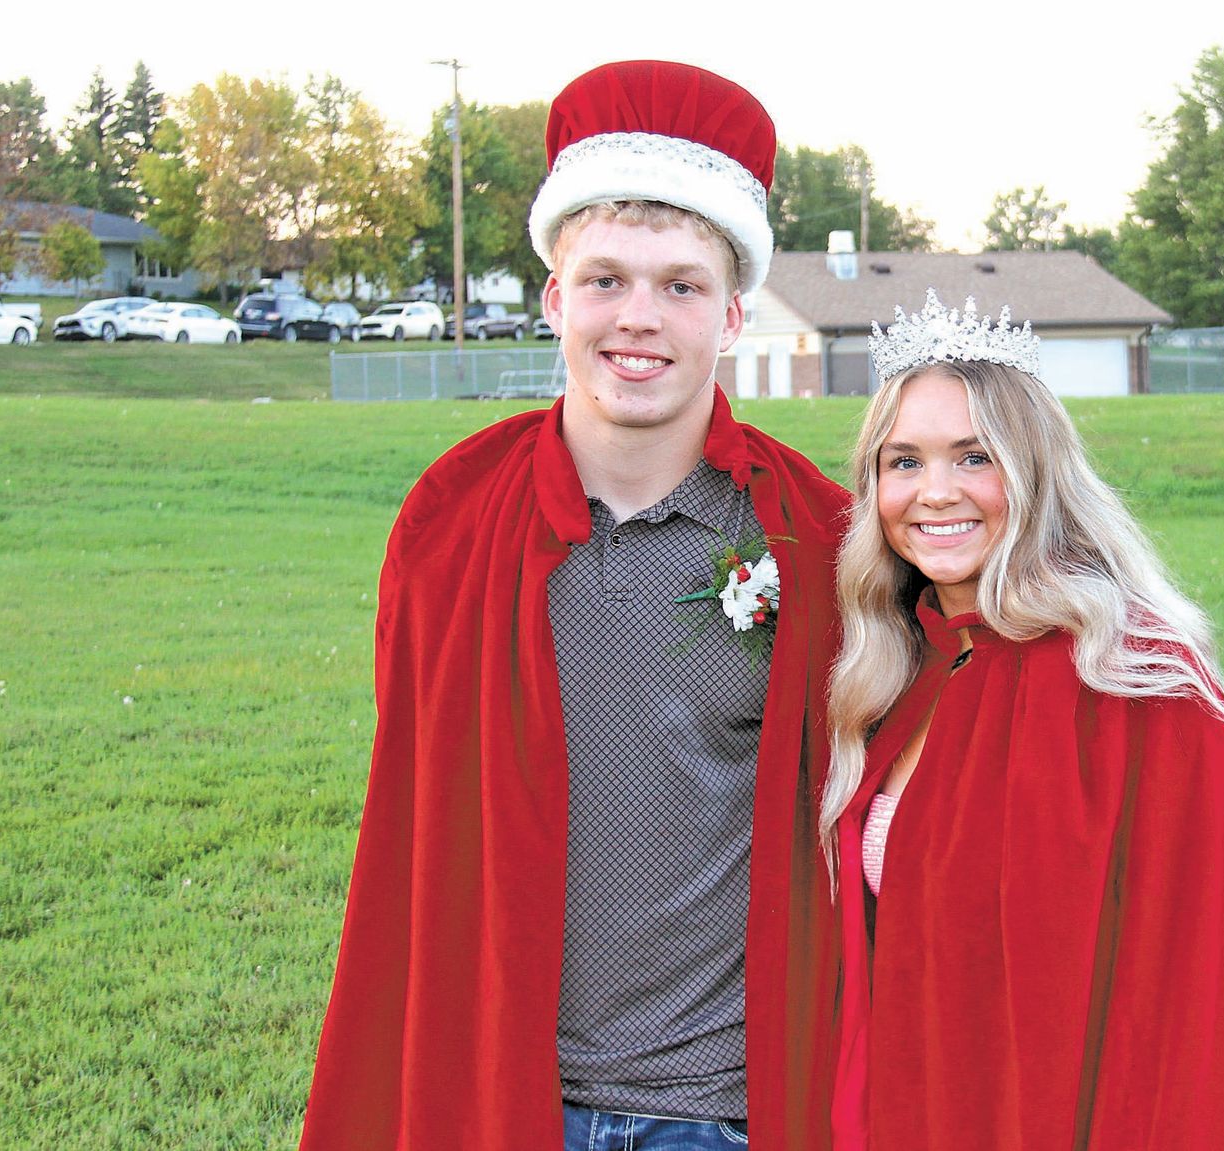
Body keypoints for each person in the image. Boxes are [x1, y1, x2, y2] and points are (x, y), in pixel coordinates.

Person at [299, 61, 847, 1151]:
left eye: (681, 286)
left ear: (734, 312)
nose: (638, 319)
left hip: (724, 1110)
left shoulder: (817, 536)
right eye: (606, 279)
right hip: (502, 1091)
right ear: (554, 296)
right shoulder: (451, 518)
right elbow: (426, 820)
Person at [821, 290, 1224, 1149]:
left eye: (973, 457)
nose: (934, 493)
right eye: (905, 461)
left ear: (1034, 469)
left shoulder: (1137, 681)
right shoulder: (903, 668)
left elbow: (1193, 1002)